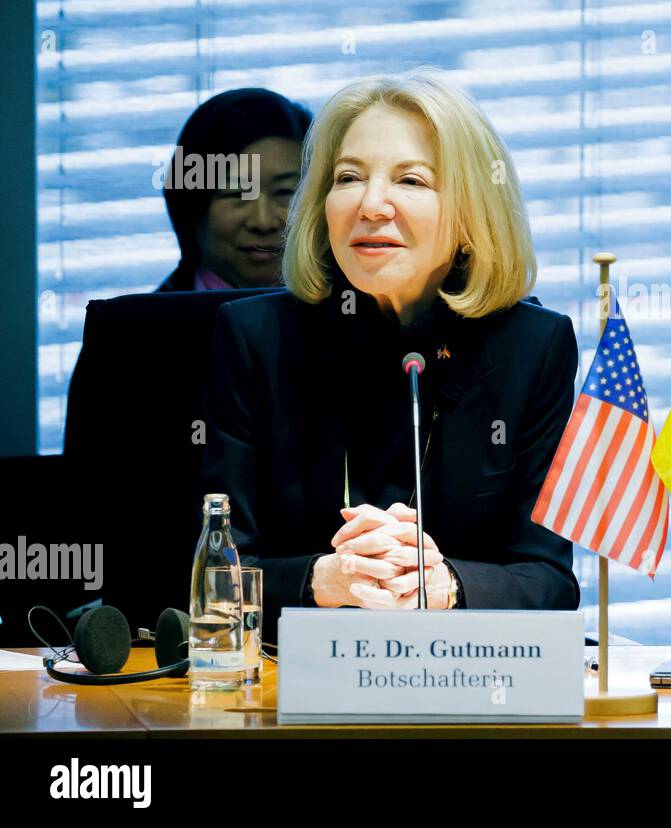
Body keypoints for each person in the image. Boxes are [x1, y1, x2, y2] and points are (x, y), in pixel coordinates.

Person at [198, 68, 580, 638]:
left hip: (467, 692)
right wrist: (325, 580)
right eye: (348, 177)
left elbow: (548, 578)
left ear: (472, 214)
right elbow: (216, 577)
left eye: (412, 181)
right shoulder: (255, 337)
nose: (372, 204)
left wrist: (443, 584)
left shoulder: (532, 348)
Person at [158, 88, 312, 291]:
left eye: (286, 192)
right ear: (190, 204)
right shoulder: (138, 321)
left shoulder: (353, 311)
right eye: (236, 193)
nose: (263, 222)